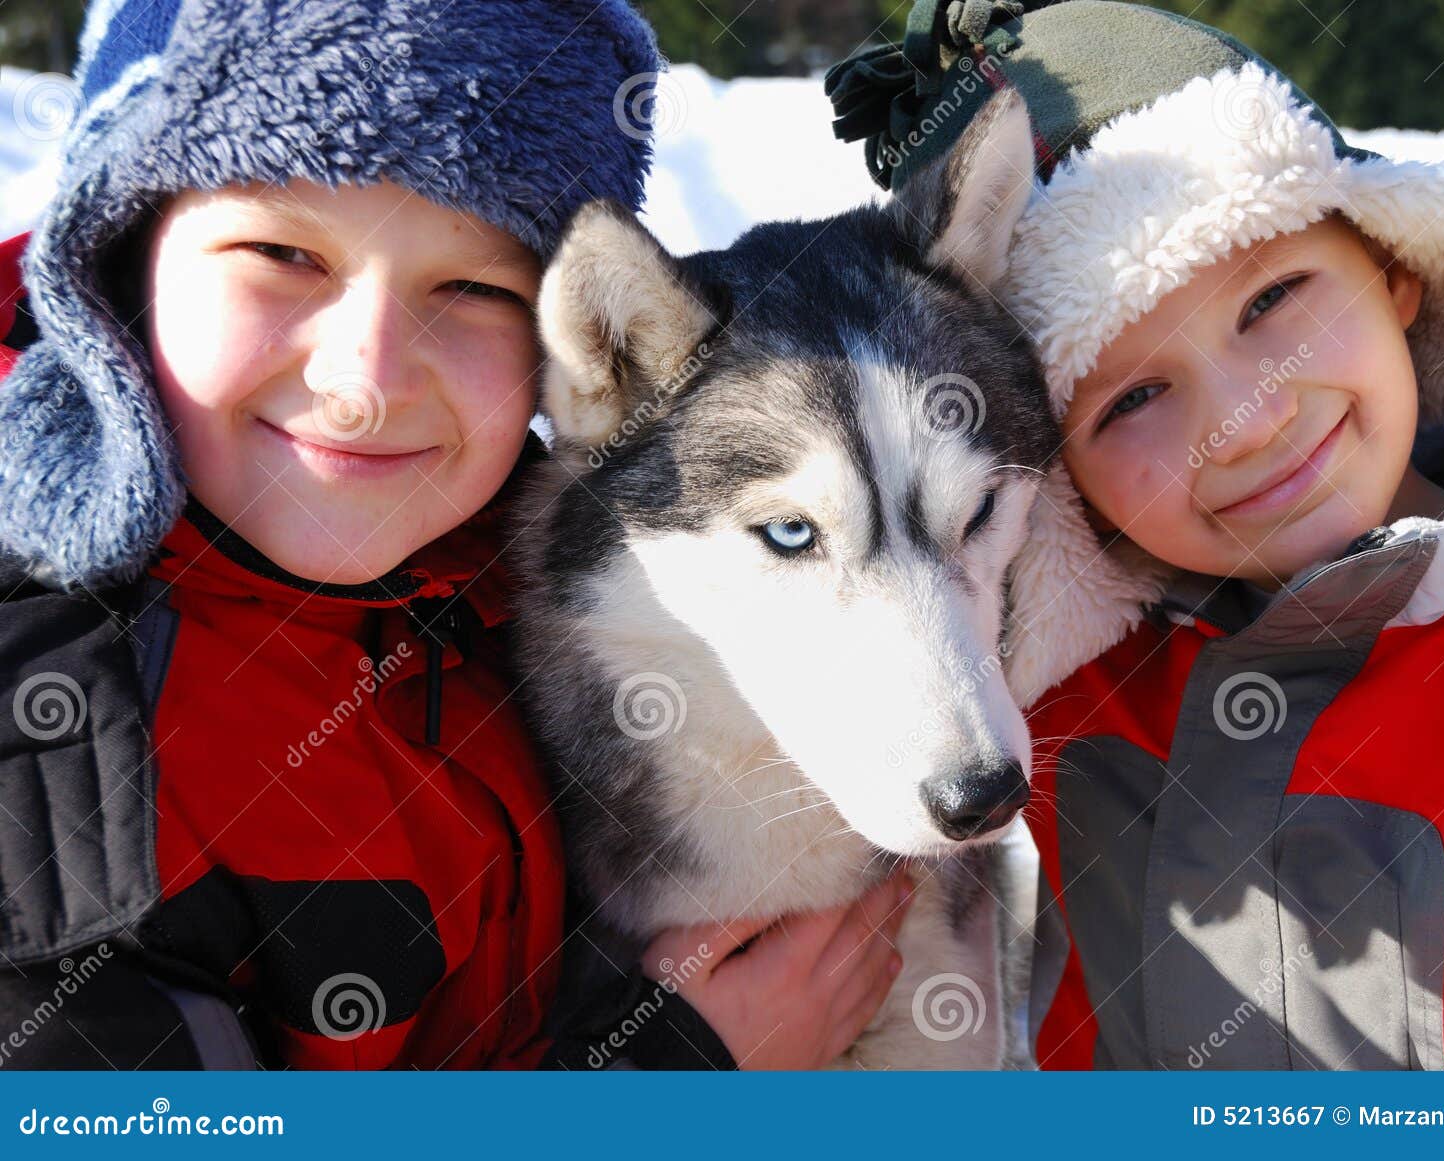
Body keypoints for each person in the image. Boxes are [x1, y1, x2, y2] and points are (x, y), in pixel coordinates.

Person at [0, 0, 908, 1070]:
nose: (368, 379)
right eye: (282, 254)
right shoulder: (50, 732)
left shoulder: (511, 591)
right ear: (114, 263)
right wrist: (675, 1074)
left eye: (472, 286)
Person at [828, 0, 1444, 1069]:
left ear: (1394, 262)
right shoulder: (1038, 680)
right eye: (1133, 399)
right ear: (1053, 480)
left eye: (1272, 298)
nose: (1249, 418)